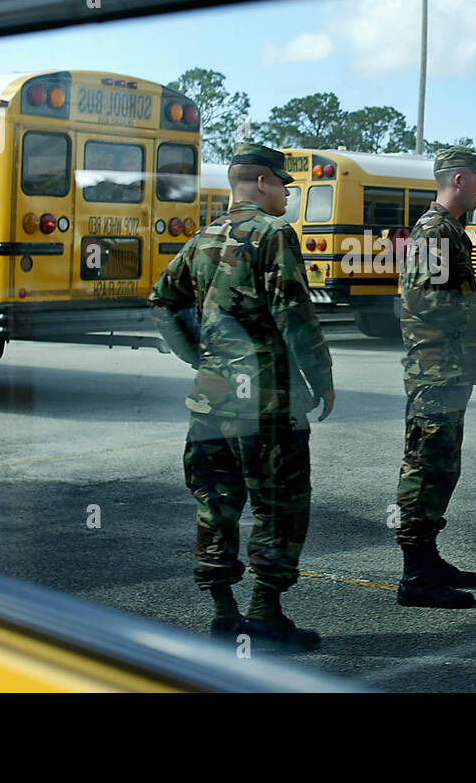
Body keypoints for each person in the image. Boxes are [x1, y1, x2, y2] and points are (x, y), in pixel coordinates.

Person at [149, 141, 335, 650]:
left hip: (210, 403)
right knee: (280, 506)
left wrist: (200, 358)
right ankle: (265, 615)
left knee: (216, 502)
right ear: (261, 182)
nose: (286, 199)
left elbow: (163, 302)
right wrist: (322, 377)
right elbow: (294, 313)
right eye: (284, 188)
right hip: (267, 406)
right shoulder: (274, 234)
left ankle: (224, 613)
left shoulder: (203, 236)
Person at [396, 145, 476, 608]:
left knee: (442, 464)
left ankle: (427, 558)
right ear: (459, 180)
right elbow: (423, 301)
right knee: (426, 465)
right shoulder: (436, 230)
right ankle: (416, 576)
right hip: (434, 370)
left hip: (447, 368)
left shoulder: (449, 230)